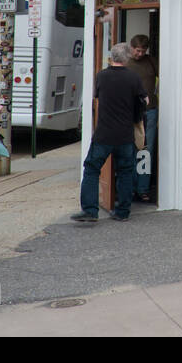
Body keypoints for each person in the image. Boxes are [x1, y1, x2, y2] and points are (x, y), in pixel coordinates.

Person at [72, 43, 147, 223]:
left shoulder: (102, 76)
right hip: (125, 134)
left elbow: (97, 97)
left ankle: (90, 210)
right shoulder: (134, 78)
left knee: (91, 169)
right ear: (127, 58)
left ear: (112, 57)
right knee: (125, 172)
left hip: (104, 133)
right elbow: (145, 99)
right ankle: (123, 211)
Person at [128, 34, 159, 204]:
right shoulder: (126, 63)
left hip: (150, 110)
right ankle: (131, 188)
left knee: (147, 150)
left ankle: (143, 189)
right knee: (131, 150)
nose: (140, 54)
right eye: (137, 50)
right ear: (131, 47)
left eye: (143, 51)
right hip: (132, 113)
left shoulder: (151, 61)